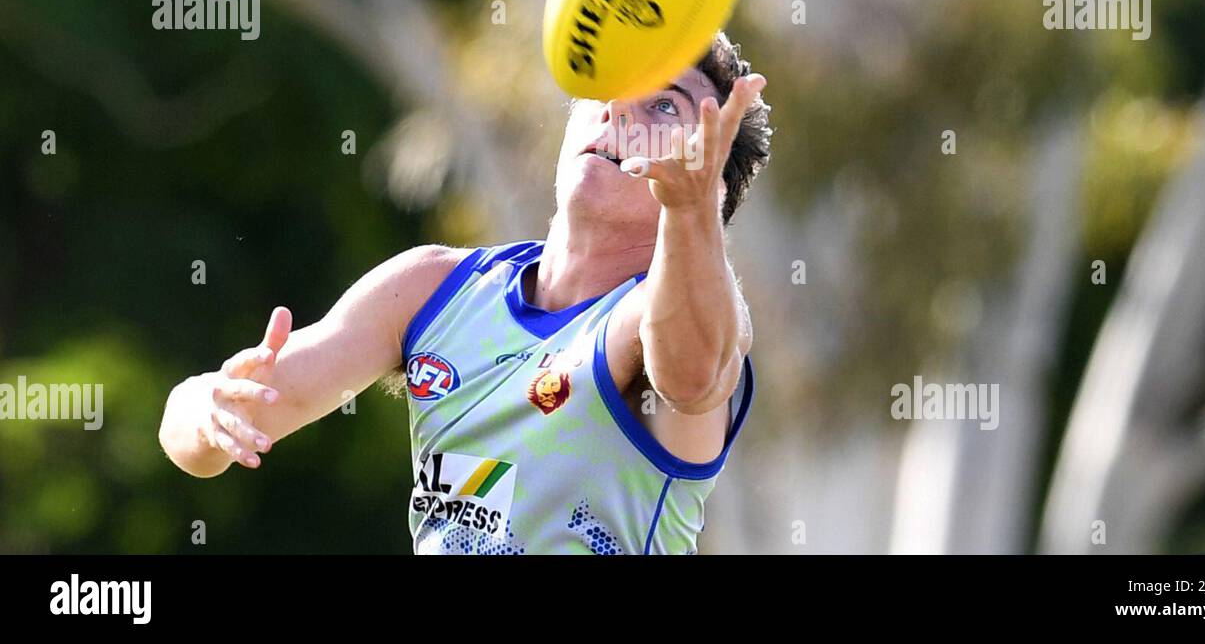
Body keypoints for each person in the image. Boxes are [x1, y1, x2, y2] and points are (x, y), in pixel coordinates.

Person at [158, 31, 772, 554]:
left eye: (665, 106)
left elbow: (693, 376)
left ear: (711, 174)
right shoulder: (434, 288)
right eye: (608, 86)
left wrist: (691, 214)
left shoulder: (663, 321)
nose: (619, 112)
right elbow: (229, 421)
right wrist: (208, 405)